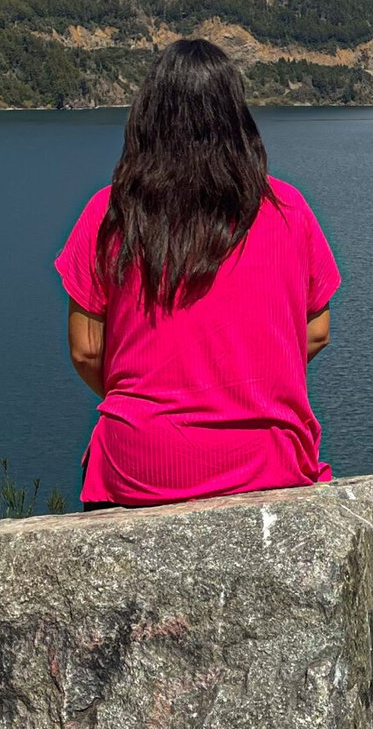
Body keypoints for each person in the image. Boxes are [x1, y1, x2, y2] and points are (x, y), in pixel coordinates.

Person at [54, 37, 340, 507]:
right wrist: (248, 383)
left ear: (149, 116)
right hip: (269, 458)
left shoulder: (110, 213)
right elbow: (317, 331)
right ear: (236, 118)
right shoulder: (289, 209)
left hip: (138, 464)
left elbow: (86, 352)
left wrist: (156, 400)